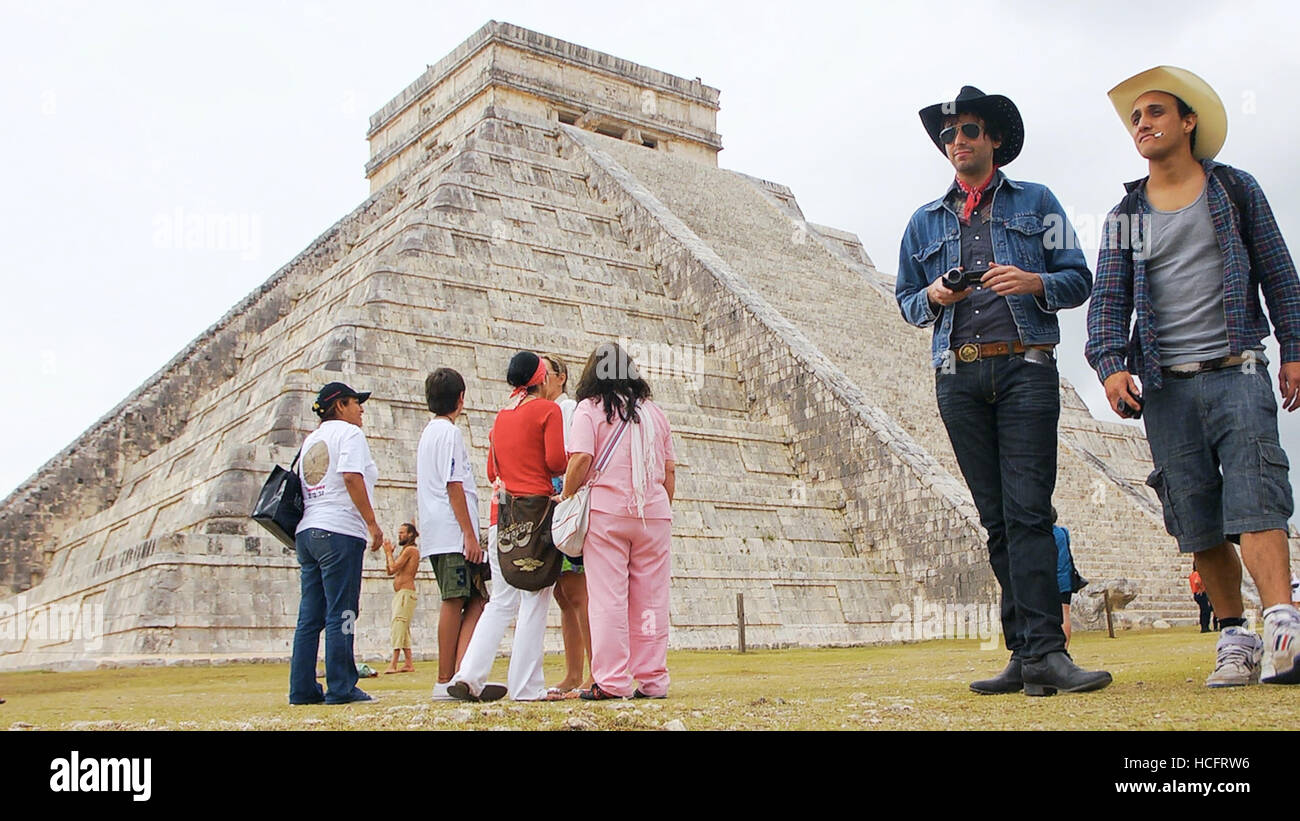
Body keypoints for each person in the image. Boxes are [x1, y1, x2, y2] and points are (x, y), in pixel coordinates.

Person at [1086, 66, 1300, 686]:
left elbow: (1280, 274)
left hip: (1239, 368)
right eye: (1135, 118)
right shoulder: (1125, 214)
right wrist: (1110, 366)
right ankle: (1236, 637)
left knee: (1259, 494)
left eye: (1155, 113)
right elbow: (1107, 303)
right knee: (1197, 512)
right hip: (1166, 384)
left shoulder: (1234, 190)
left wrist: (1294, 348)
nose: (1143, 125)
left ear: (1188, 122)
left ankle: (1283, 625)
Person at [896, 86, 1110, 696]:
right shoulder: (923, 222)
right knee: (995, 520)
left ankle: (1047, 651)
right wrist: (936, 295)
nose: (956, 142)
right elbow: (907, 303)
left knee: (1029, 512)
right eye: (948, 136)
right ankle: (1024, 655)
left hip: (1025, 368)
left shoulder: (1036, 200)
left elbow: (1078, 278)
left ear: (992, 138)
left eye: (967, 131)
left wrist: (1033, 280)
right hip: (958, 375)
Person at [448, 352, 566, 702]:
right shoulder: (548, 411)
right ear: (541, 379)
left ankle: (469, 675)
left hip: (502, 517)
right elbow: (556, 462)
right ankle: (526, 685)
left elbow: (490, 472)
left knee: (501, 600)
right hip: (535, 516)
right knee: (535, 597)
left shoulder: (500, 418)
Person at [561, 342, 676, 700]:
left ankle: (611, 681)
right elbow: (669, 471)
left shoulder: (589, 409)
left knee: (608, 598)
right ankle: (653, 679)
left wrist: (566, 496)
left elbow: (581, 459)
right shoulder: (654, 413)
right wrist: (659, 508)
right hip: (653, 514)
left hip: (607, 514)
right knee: (651, 599)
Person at [289, 382, 383, 705]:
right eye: (356, 403)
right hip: (339, 531)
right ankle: (341, 686)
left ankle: (301, 688)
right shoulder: (350, 435)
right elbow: (351, 477)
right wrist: (372, 524)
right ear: (340, 406)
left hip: (308, 532)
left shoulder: (310, 440)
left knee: (310, 615)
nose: (361, 409)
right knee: (341, 610)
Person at [417, 368, 491, 700]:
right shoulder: (448, 434)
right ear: (460, 399)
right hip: (451, 532)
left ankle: (461, 674)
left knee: (476, 598)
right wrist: (470, 536)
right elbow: (454, 485)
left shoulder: (430, 433)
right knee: (455, 598)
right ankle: (445, 678)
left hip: (443, 531)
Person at [540, 353, 592, 697]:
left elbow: (577, 457)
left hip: (567, 504)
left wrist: (568, 495)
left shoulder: (569, 409)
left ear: (560, 377)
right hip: (552, 504)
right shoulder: (546, 411)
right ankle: (573, 672)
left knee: (577, 590)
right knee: (562, 593)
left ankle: (596, 670)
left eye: (546, 373)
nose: (540, 379)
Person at [382, 523, 420, 674]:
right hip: (400, 594)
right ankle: (408, 663)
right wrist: (388, 554)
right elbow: (390, 571)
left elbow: (395, 566)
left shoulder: (411, 550)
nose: (400, 535)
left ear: (410, 534)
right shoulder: (405, 551)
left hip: (406, 593)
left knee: (399, 626)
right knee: (402, 628)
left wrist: (389, 554)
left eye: (402, 533)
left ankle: (394, 663)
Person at [1051, 508, 1087, 648]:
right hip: (1066, 578)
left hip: (1053, 578)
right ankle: (1064, 647)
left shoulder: (1047, 535)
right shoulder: (1063, 532)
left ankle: (1056, 647)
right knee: (1065, 613)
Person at [1189, 566, 1214, 634]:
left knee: (1203, 610)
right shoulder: (1198, 574)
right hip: (1201, 594)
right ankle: (1205, 627)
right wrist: (1202, 588)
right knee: (1206, 610)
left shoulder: (1192, 575)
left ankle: (1203, 626)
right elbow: (1197, 581)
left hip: (1195, 594)